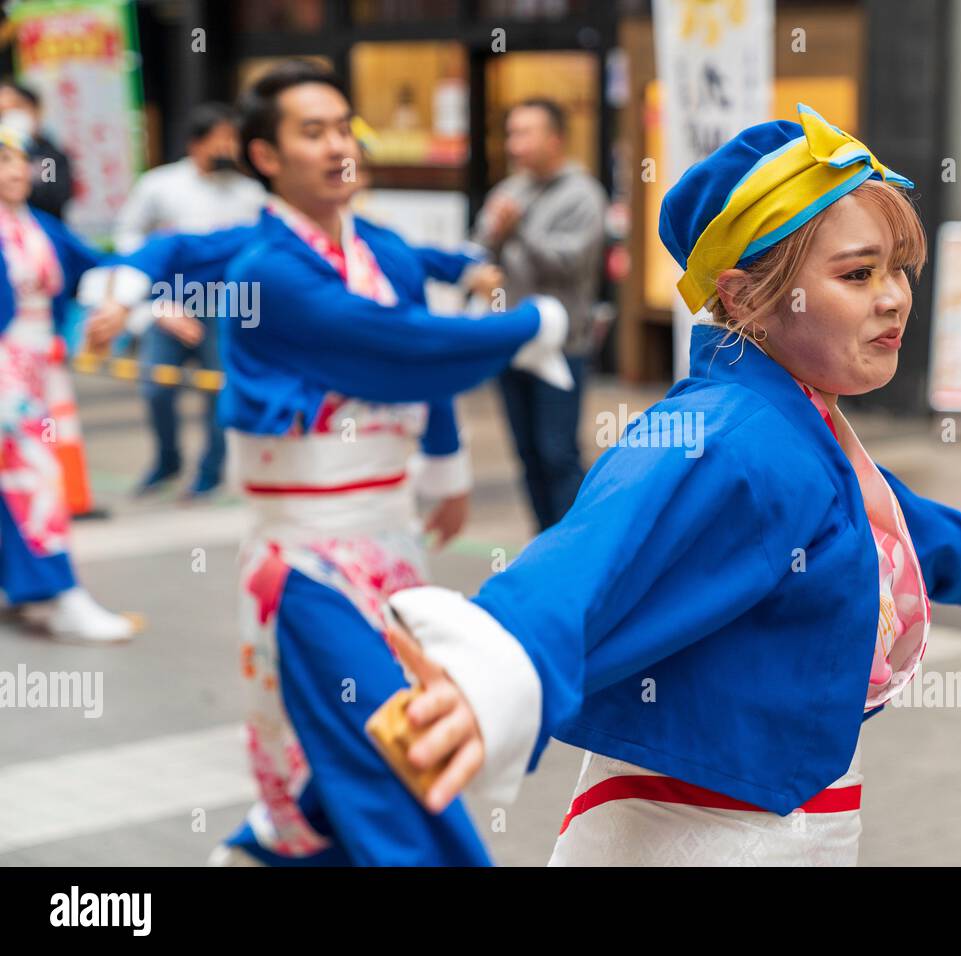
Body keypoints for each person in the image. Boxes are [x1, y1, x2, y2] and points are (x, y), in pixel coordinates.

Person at [382, 105, 961, 865]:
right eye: (856, 273)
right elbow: (591, 553)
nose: (895, 296)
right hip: (698, 836)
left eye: (900, 268)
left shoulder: (796, 419)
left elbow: (886, 518)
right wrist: (495, 666)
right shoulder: (725, 434)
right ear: (744, 297)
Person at [87, 60, 571, 865]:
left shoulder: (381, 252)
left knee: (353, 742)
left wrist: (447, 470)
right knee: (400, 754)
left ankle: (262, 852)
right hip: (307, 561)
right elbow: (399, 349)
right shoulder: (265, 270)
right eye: (313, 131)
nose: (339, 144)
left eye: (345, 126)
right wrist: (532, 325)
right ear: (265, 157)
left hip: (392, 542)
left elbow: (414, 364)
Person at [0, 125, 137, 642]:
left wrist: (143, 297)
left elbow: (98, 268)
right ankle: (59, 593)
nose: (16, 171)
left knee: (26, 477)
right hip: (8, 370)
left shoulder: (39, 226)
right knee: (32, 481)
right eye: (4, 160)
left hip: (38, 365)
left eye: (21, 161)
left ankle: (32, 587)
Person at [113, 103, 265, 499]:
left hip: (229, 305)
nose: (230, 148)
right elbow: (130, 239)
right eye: (222, 139)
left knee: (218, 389)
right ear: (195, 143)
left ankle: (210, 472)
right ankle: (167, 461)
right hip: (168, 303)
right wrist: (154, 301)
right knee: (156, 387)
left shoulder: (249, 194)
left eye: (235, 140)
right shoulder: (159, 186)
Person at [472, 98, 607, 531]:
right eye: (511, 133)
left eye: (525, 133)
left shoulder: (583, 194)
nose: (515, 145)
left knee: (557, 454)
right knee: (527, 454)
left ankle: (579, 550)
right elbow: (478, 254)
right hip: (509, 342)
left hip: (562, 348)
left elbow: (571, 264)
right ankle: (544, 545)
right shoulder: (508, 191)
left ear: (555, 139)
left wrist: (519, 231)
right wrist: (494, 237)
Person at [0, 80, 73, 220]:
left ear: (34, 109)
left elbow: (53, 196)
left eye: (15, 107)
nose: (9, 116)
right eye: (2, 111)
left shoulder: (49, 157)